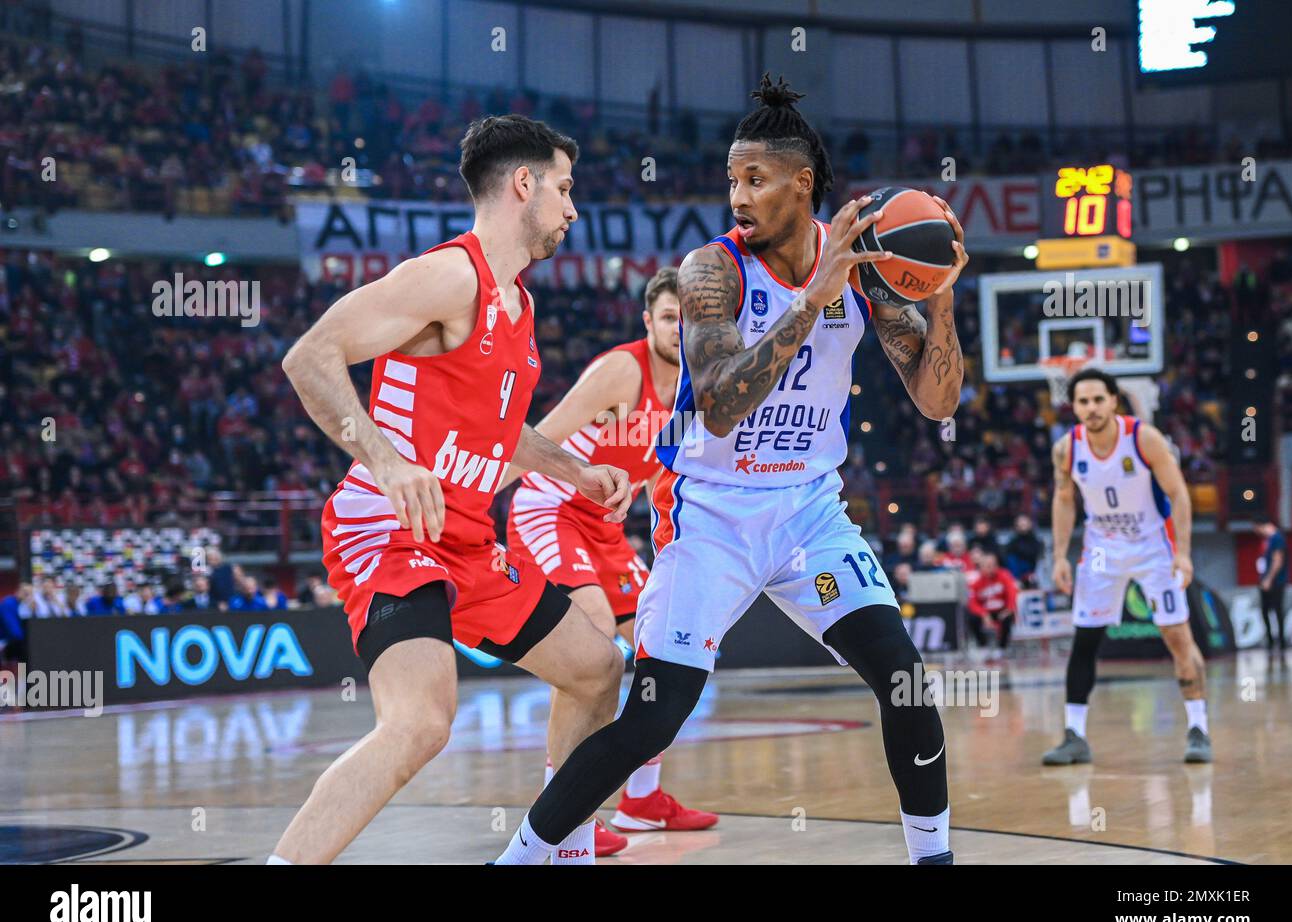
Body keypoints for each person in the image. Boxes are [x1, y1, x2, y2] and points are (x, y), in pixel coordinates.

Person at [497, 74, 968, 865]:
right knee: (655, 713)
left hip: (809, 518)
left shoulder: (860, 266)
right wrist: (811, 302)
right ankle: (517, 858)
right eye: (731, 180)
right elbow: (718, 406)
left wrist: (943, 295)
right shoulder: (710, 270)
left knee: (905, 680)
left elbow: (936, 400)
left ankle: (936, 859)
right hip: (710, 516)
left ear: (802, 184)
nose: (737, 196)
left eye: (754, 179)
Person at [271, 114, 632, 865]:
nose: (572, 209)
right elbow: (310, 356)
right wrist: (387, 460)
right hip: (391, 526)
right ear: (523, 185)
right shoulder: (449, 275)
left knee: (599, 670)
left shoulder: (520, 306)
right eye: (564, 189)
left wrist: (576, 472)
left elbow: (498, 430)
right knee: (421, 723)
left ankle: (550, 854)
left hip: (467, 537)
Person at [502, 266, 717, 858]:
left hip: (607, 527)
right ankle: (561, 813)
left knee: (671, 643)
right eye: (670, 317)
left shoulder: (700, 385)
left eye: (691, 318)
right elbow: (536, 438)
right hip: (552, 508)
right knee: (594, 651)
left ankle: (642, 799)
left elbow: (659, 476)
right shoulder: (621, 370)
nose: (680, 328)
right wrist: (466, 501)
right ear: (648, 321)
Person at [1043, 368, 1211, 765]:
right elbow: (1064, 500)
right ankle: (1074, 736)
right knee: (1086, 639)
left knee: (1177, 636)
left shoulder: (1143, 438)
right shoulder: (1067, 448)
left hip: (1153, 545)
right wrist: (1060, 556)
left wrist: (1183, 552)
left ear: (1113, 400)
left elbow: (1178, 494)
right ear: (1075, 406)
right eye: (1082, 401)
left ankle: (1199, 727)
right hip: (1102, 549)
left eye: (1098, 399)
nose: (1091, 408)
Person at [966, 550, 1018, 656]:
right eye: (987, 566)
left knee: (1007, 618)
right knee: (971, 618)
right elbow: (972, 602)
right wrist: (983, 614)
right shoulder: (976, 580)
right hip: (986, 612)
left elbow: (1012, 593)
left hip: (1002, 609)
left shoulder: (1004, 575)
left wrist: (1009, 608)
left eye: (993, 565)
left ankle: (1002, 648)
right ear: (981, 567)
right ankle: (982, 646)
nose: (990, 568)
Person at [1252, 517, 1289, 653]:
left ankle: (1280, 640)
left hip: (1275, 582)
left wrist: (1268, 579)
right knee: (1265, 610)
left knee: (1277, 610)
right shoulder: (1268, 540)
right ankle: (1271, 640)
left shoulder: (1277, 538)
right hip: (1267, 580)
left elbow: (1277, 560)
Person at [1004, 514, 1043, 584]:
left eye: (1024, 523)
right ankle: (1015, 581)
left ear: (1029, 524)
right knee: (1011, 559)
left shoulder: (1035, 539)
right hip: (1016, 567)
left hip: (1030, 566)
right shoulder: (1013, 540)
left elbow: (1033, 554)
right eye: (1020, 523)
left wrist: (1021, 551)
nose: (1022, 525)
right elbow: (1007, 554)